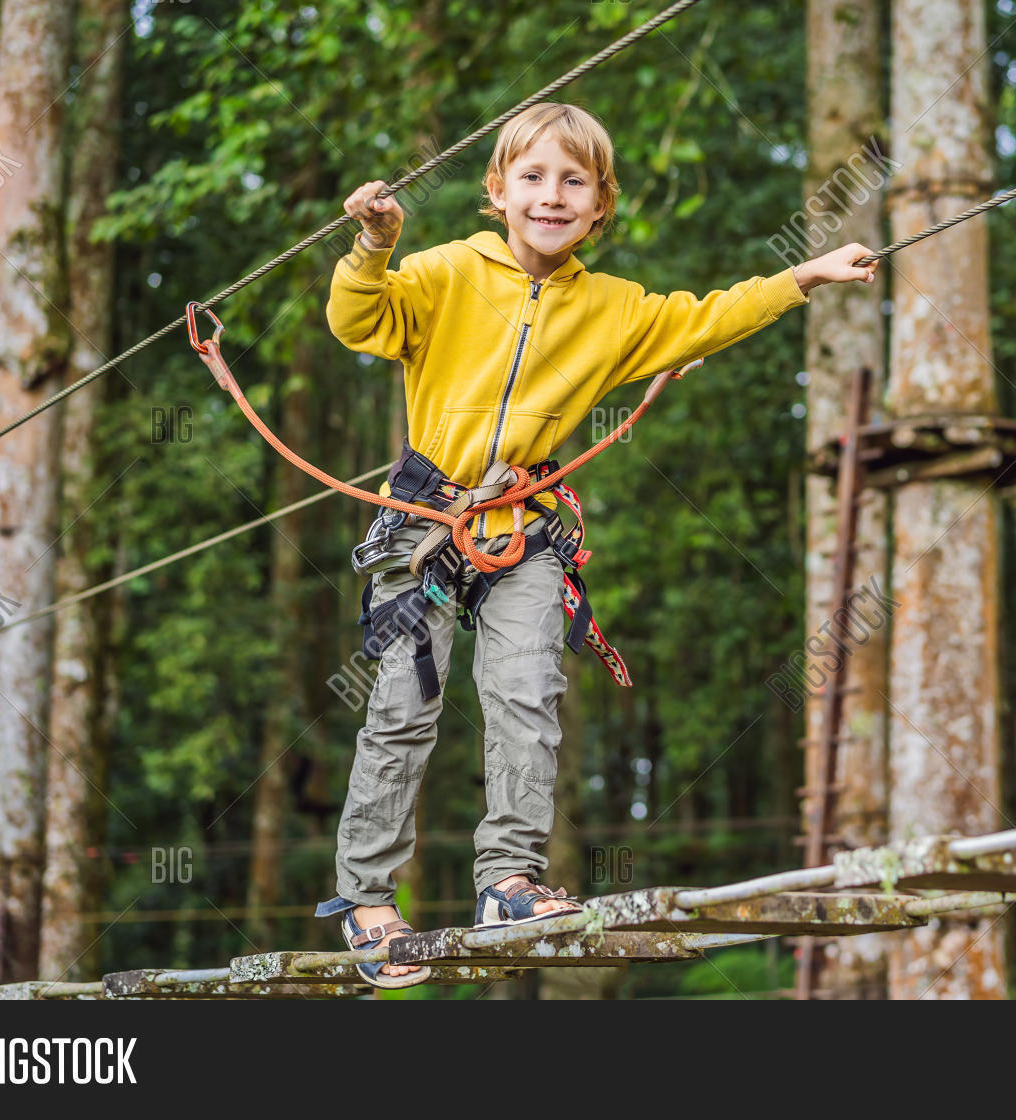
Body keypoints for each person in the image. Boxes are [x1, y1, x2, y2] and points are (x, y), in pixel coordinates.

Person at [316, 101, 879, 987]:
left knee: (526, 698)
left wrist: (803, 275)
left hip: (524, 527)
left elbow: (708, 316)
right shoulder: (443, 271)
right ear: (497, 191)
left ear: (600, 204)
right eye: (533, 177)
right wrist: (373, 248)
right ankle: (366, 896)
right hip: (425, 522)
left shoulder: (614, 308)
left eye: (573, 181)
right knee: (401, 708)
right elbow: (361, 323)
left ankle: (508, 881)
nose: (552, 196)